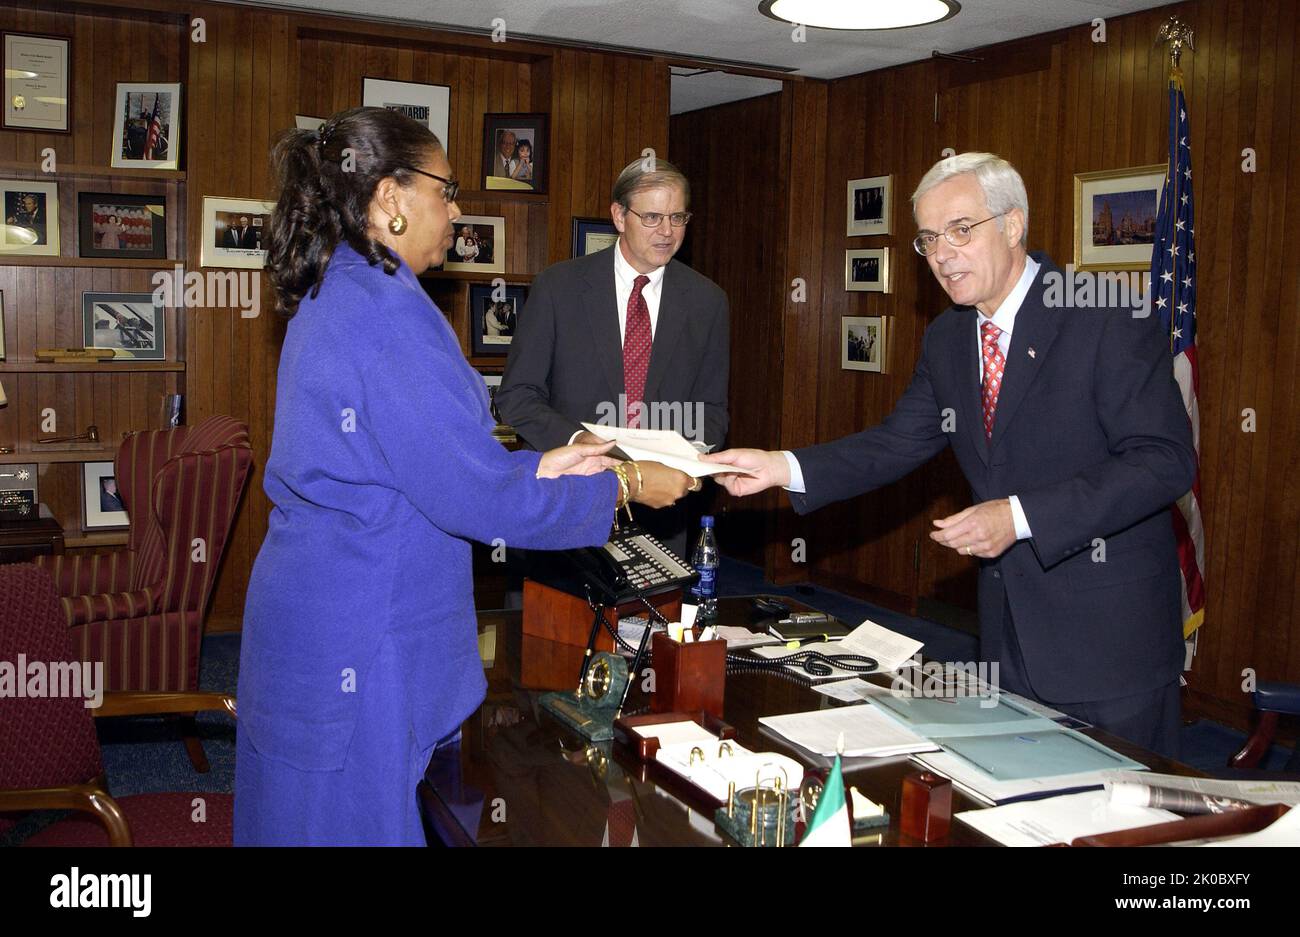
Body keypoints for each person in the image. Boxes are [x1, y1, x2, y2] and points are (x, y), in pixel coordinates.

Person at [235, 106, 692, 846]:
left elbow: (424, 461)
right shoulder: (384, 312)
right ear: (389, 198)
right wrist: (626, 484)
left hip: (320, 618)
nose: (457, 209)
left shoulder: (346, 287)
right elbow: (473, 493)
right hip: (360, 637)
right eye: (446, 191)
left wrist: (545, 462)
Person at [705, 152, 1195, 758]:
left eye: (962, 230)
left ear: (1013, 225)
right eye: (930, 239)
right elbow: (898, 441)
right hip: (1006, 634)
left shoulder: (1104, 313)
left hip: (1108, 636)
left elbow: (1163, 460)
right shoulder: (949, 336)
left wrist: (1017, 517)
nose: (942, 254)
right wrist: (782, 467)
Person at [497, 156, 730, 552]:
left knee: (656, 616)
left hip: (660, 505)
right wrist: (579, 440)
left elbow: (711, 411)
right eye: (653, 217)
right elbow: (517, 396)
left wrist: (684, 467)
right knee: (555, 614)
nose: (667, 232)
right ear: (619, 216)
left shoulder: (708, 301)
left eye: (678, 218)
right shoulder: (558, 288)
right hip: (569, 495)